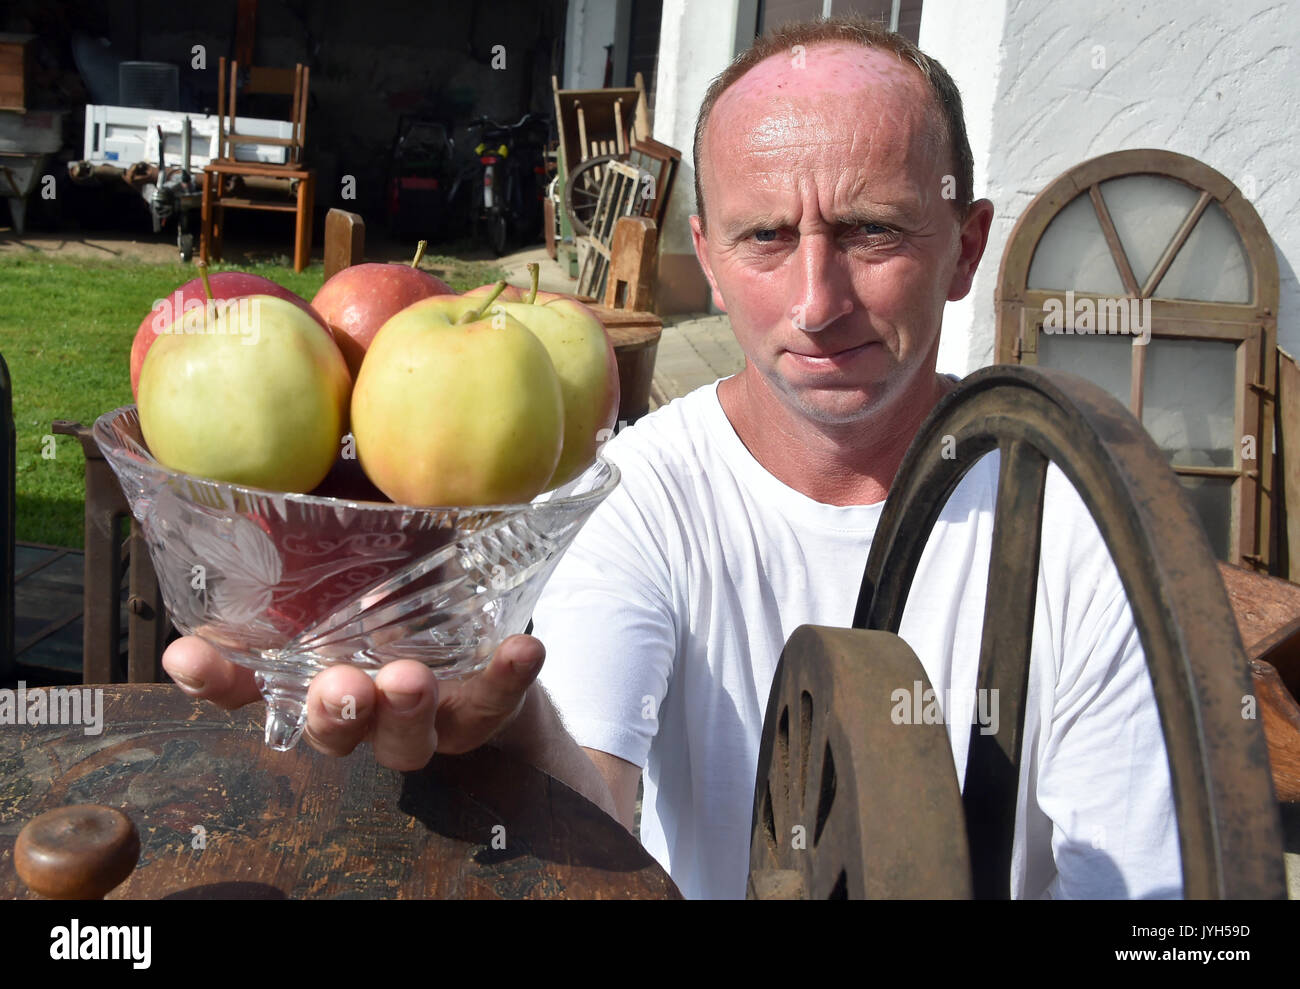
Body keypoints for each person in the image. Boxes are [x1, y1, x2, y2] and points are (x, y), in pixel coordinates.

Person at [161, 16, 1182, 900]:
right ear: (706, 249)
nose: (817, 303)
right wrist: (507, 731)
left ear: (966, 247)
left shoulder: (1086, 525)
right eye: (766, 238)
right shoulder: (639, 492)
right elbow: (595, 795)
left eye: (872, 232)